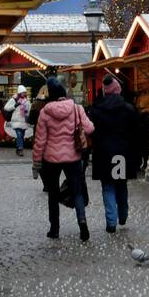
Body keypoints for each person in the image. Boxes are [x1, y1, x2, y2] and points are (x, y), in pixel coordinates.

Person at [32, 78, 93, 242]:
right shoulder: (76, 108)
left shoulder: (45, 112)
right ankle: (82, 223)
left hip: (51, 159)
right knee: (77, 191)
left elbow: (40, 140)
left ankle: (54, 229)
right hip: (73, 157)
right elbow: (90, 128)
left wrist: (36, 163)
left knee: (53, 193)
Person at [88, 74, 139, 234]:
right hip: (122, 152)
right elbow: (135, 133)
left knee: (108, 186)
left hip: (104, 153)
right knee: (121, 183)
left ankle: (111, 221)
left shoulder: (96, 109)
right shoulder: (129, 109)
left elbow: (92, 132)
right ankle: (122, 215)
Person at [5, 84, 32, 155]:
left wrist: (28, 115)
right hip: (16, 120)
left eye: (25, 92)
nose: (25, 93)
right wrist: (15, 105)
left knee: (22, 136)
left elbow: (29, 109)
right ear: (20, 92)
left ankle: (18, 148)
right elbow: (6, 108)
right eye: (23, 92)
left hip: (24, 121)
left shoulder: (27, 100)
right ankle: (20, 149)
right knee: (19, 134)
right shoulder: (14, 99)